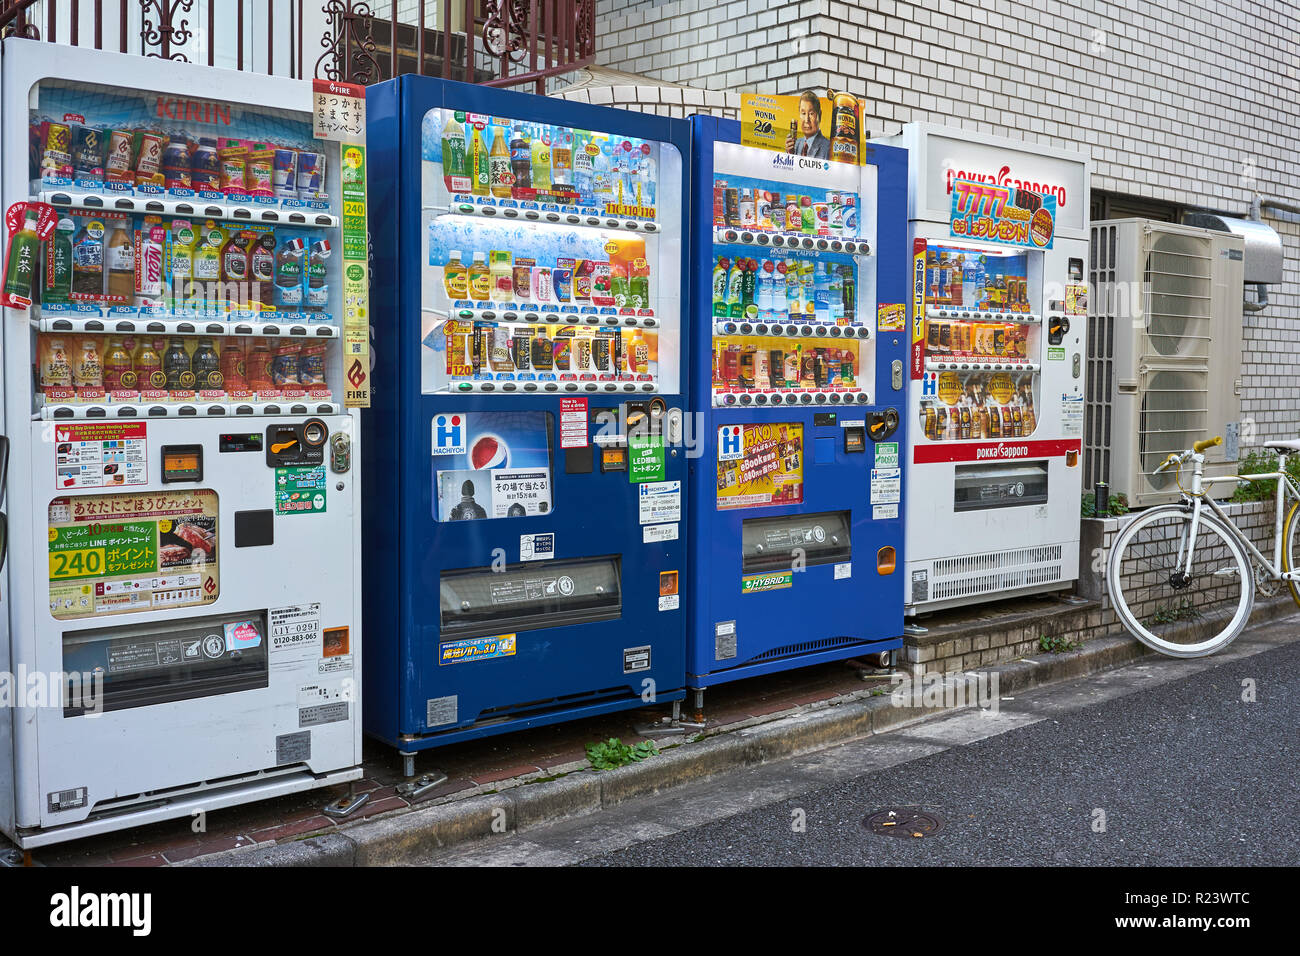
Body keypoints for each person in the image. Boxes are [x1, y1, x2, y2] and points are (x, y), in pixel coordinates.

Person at [784, 91, 830, 159]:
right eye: (803, 113)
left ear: (819, 115)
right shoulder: (796, 144)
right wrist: (790, 155)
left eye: (811, 113)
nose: (806, 120)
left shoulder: (828, 147)